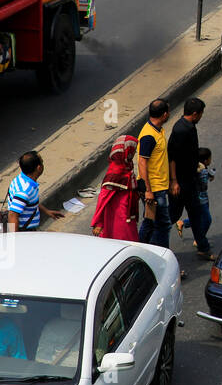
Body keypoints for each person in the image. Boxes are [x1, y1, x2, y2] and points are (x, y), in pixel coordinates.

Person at [168, 96, 212, 261]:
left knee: (196, 215)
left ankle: (203, 247)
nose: (201, 117)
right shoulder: (181, 130)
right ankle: (155, 243)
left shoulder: (190, 127)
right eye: (201, 114)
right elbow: (172, 157)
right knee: (171, 216)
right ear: (195, 114)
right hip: (181, 183)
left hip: (190, 181)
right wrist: (174, 181)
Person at [136, 99, 176, 248]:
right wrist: (148, 191)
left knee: (150, 222)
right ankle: (163, 258)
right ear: (164, 115)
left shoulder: (157, 129)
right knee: (163, 225)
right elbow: (142, 162)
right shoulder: (148, 136)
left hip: (158, 186)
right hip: (154, 189)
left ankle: (143, 250)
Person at [91, 135, 139, 241]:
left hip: (127, 212)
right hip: (118, 216)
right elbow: (103, 199)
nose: (134, 153)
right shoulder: (115, 172)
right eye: (133, 150)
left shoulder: (127, 165)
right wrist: (99, 223)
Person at [5, 151, 64, 233]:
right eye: (42, 162)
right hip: (24, 232)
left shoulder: (21, 178)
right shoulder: (25, 190)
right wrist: (15, 239)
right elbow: (13, 214)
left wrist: (46, 211)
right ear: (39, 168)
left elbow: (30, 201)